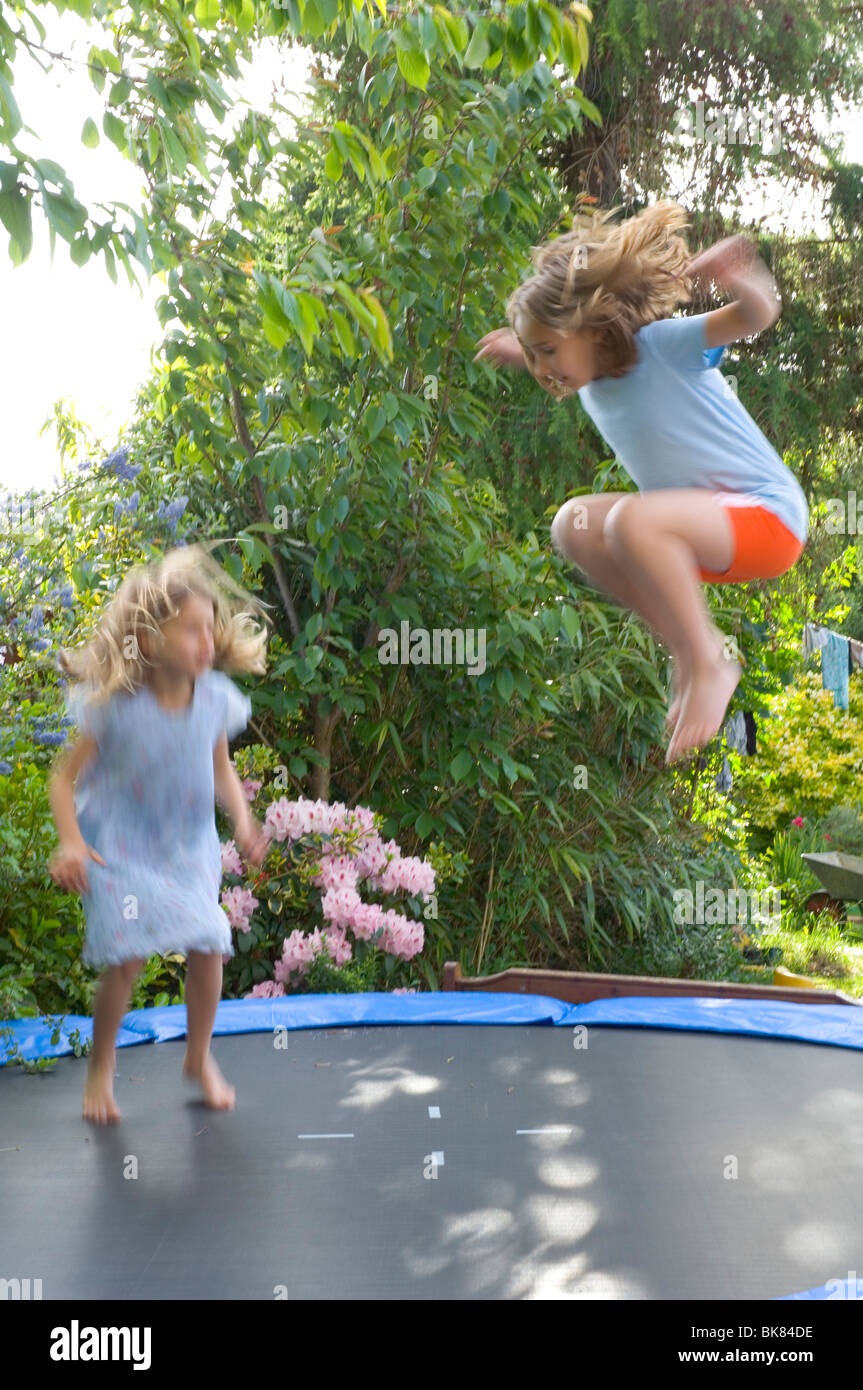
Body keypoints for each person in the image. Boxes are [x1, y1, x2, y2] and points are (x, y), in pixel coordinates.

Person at [474, 199, 808, 763]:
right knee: (574, 526)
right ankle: (687, 649)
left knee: (632, 519)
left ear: (593, 326)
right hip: (697, 536)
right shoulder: (587, 378)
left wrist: (740, 275)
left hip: (767, 518)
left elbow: (756, 316)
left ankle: (707, 660)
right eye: (532, 356)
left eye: (548, 351)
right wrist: (526, 349)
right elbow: (562, 357)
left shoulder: (660, 347)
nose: (540, 368)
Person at [47, 543, 273, 1124]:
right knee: (126, 960)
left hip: (186, 849)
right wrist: (72, 842)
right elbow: (61, 780)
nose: (206, 642)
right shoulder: (117, 709)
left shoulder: (214, 702)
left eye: (210, 628)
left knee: (209, 944)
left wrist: (243, 821)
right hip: (121, 849)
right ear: (149, 641)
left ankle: (198, 1058)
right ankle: (101, 1067)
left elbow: (220, 768)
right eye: (191, 629)